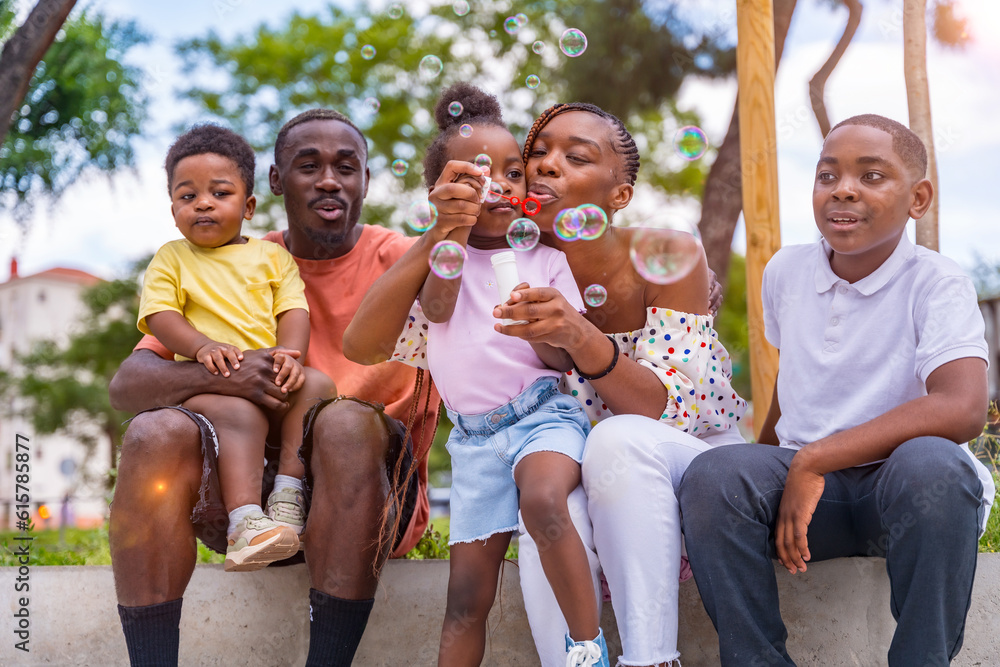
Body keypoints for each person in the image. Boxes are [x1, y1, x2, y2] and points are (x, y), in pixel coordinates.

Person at [345, 98, 745, 667]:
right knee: (548, 519)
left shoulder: (665, 254)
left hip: (689, 453)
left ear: (620, 195)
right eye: (536, 155)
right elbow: (365, 345)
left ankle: (653, 659)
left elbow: (666, 412)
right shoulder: (499, 260)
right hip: (582, 465)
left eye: (575, 157)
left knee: (614, 441)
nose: (543, 167)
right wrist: (442, 232)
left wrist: (577, 335)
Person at [109, 109, 440, 666]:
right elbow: (129, 385)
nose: (329, 179)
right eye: (307, 166)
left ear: (365, 181)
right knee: (154, 431)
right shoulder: (223, 258)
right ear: (275, 183)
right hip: (246, 502)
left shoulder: (405, 258)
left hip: (373, 495)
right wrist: (224, 371)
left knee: (341, 418)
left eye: (347, 166)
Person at [678, 114, 995, 666]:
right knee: (714, 474)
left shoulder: (937, 282)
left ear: (918, 199)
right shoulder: (785, 270)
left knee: (937, 465)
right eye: (828, 175)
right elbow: (796, 377)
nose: (844, 188)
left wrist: (815, 461)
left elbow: (963, 408)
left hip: (902, 500)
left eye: (872, 176)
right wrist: (770, 469)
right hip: (810, 508)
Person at [372, 83, 609, 665]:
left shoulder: (547, 258)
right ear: (447, 188)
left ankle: (586, 646)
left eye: (511, 172)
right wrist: (448, 229)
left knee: (545, 500)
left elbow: (563, 362)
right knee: (465, 600)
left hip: (541, 416)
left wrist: (546, 330)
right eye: (478, 174)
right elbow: (439, 308)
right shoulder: (440, 257)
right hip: (475, 442)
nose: (500, 184)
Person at [139, 124, 334, 571]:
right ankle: (245, 523)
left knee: (320, 384)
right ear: (173, 211)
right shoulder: (172, 257)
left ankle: (288, 492)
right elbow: (160, 315)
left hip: (268, 376)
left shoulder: (272, 257)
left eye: (219, 193)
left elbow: (293, 310)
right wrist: (201, 344)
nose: (203, 203)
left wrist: (290, 355)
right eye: (187, 197)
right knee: (241, 415)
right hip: (214, 387)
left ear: (247, 206)